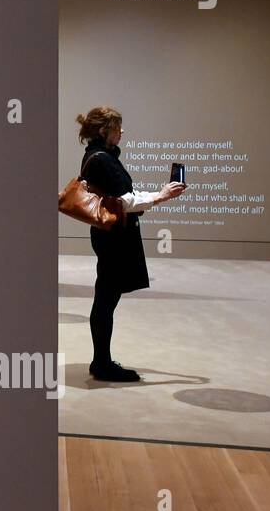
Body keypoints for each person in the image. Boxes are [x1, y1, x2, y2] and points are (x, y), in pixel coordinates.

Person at [76, 107, 187, 382]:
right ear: (105, 131)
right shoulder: (102, 159)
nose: (122, 132)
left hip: (111, 234)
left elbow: (124, 197)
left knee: (106, 297)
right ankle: (101, 363)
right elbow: (122, 201)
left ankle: (101, 360)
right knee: (105, 299)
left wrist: (158, 195)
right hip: (113, 237)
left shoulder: (101, 156)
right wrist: (160, 196)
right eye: (117, 127)